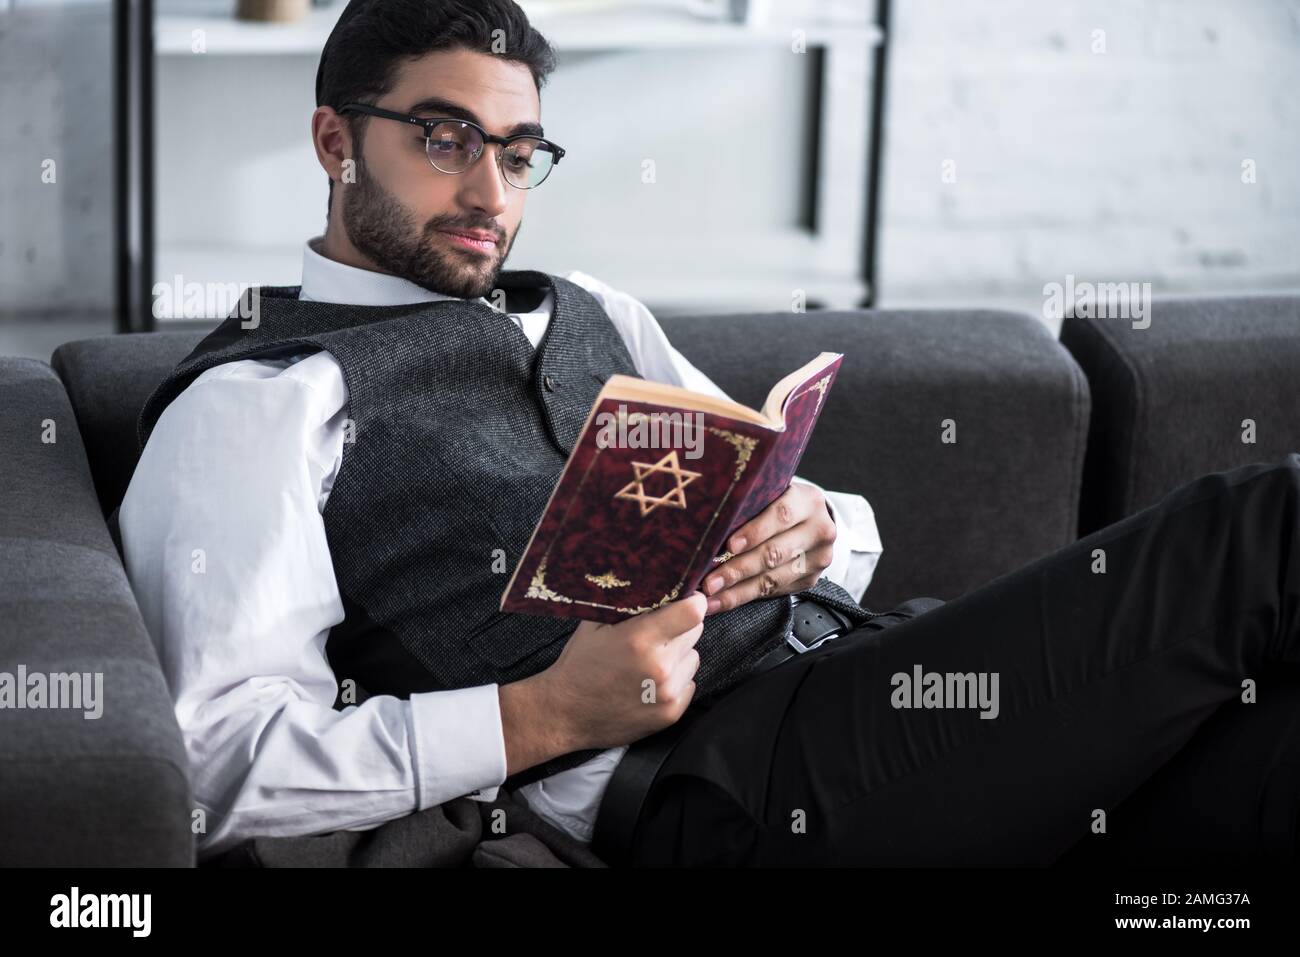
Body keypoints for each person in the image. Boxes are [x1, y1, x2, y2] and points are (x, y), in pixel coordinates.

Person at [119, 0, 1300, 867]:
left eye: (520, 152)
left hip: (874, 682)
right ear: (334, 142)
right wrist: (539, 717)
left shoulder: (593, 310)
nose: (492, 192)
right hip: (725, 789)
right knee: (1261, 529)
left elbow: (786, 512)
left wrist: (818, 530)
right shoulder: (261, 404)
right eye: (443, 138)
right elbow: (207, 765)